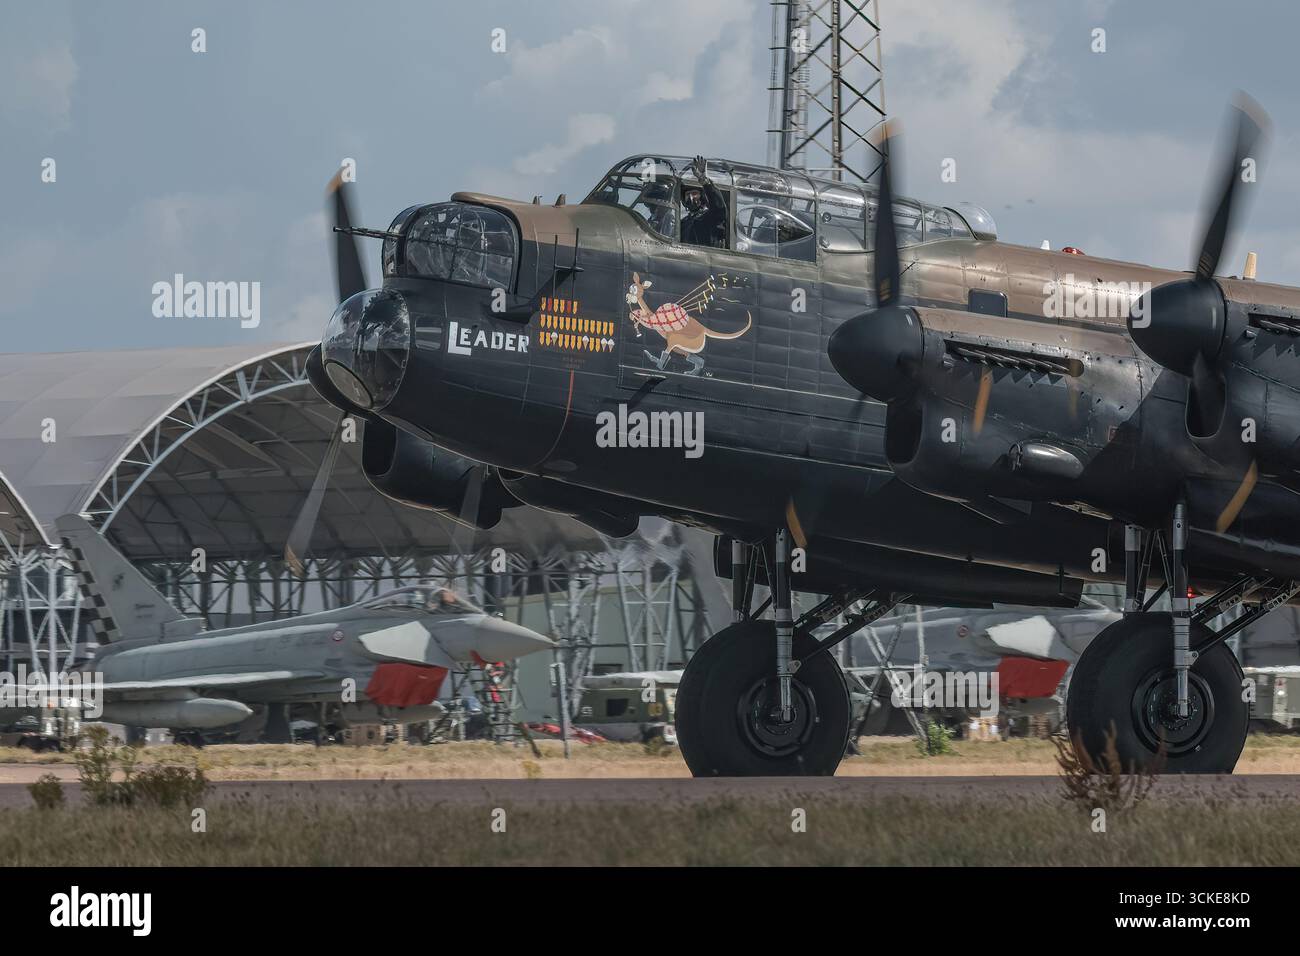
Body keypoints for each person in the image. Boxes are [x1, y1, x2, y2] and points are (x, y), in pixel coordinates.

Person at [681, 155, 727, 248]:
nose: (690, 197)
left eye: (694, 193)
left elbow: (719, 207)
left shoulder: (710, 216)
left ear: (702, 196)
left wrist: (705, 182)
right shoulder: (683, 223)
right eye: (687, 194)